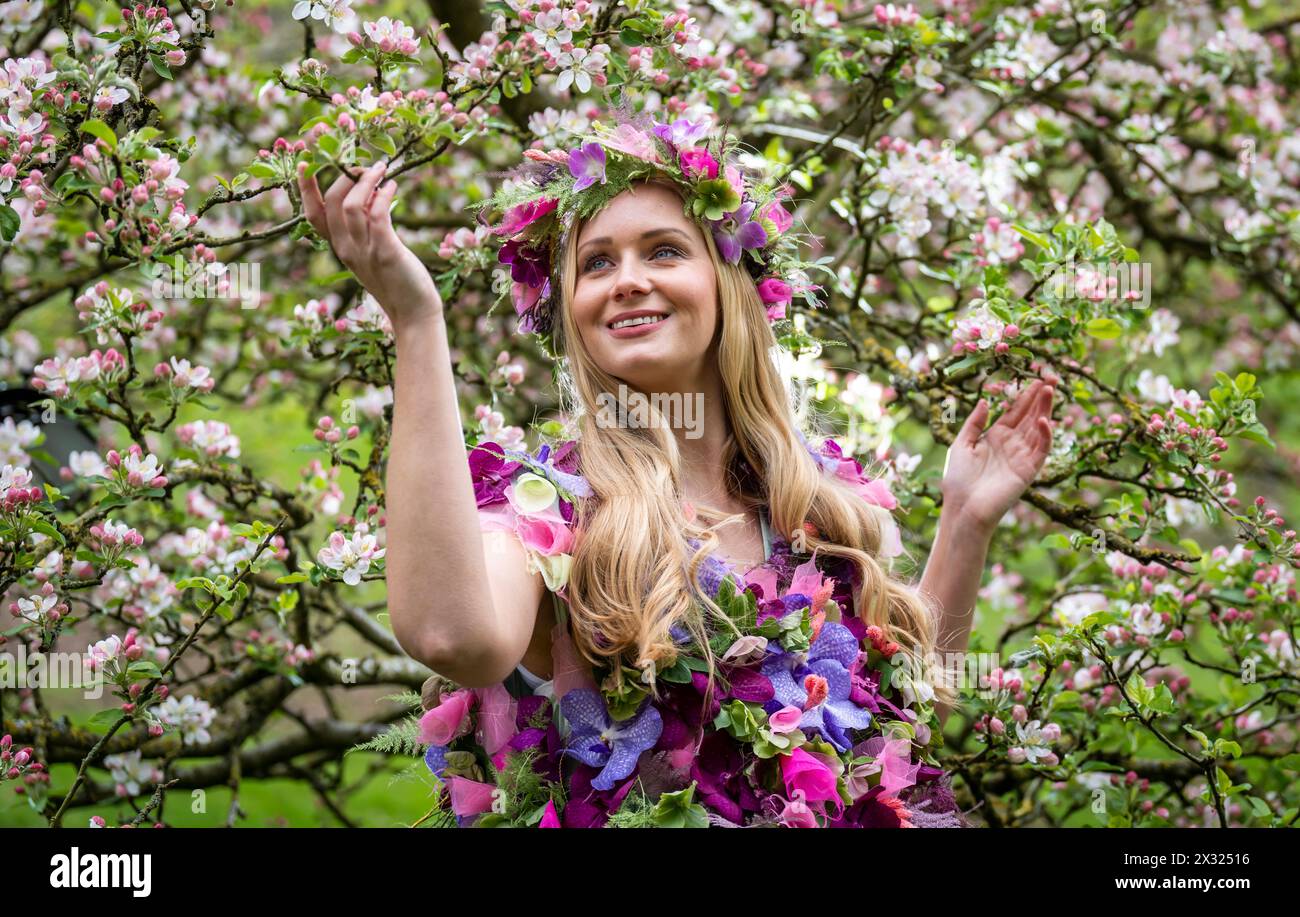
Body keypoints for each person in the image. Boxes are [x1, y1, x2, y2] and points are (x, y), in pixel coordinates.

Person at [296, 114, 1055, 827]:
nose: (627, 278)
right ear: (571, 308)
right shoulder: (549, 511)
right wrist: (416, 320)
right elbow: (449, 632)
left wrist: (966, 520)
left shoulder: (822, 507)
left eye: (663, 250)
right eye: (597, 262)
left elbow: (911, 708)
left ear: (729, 290)